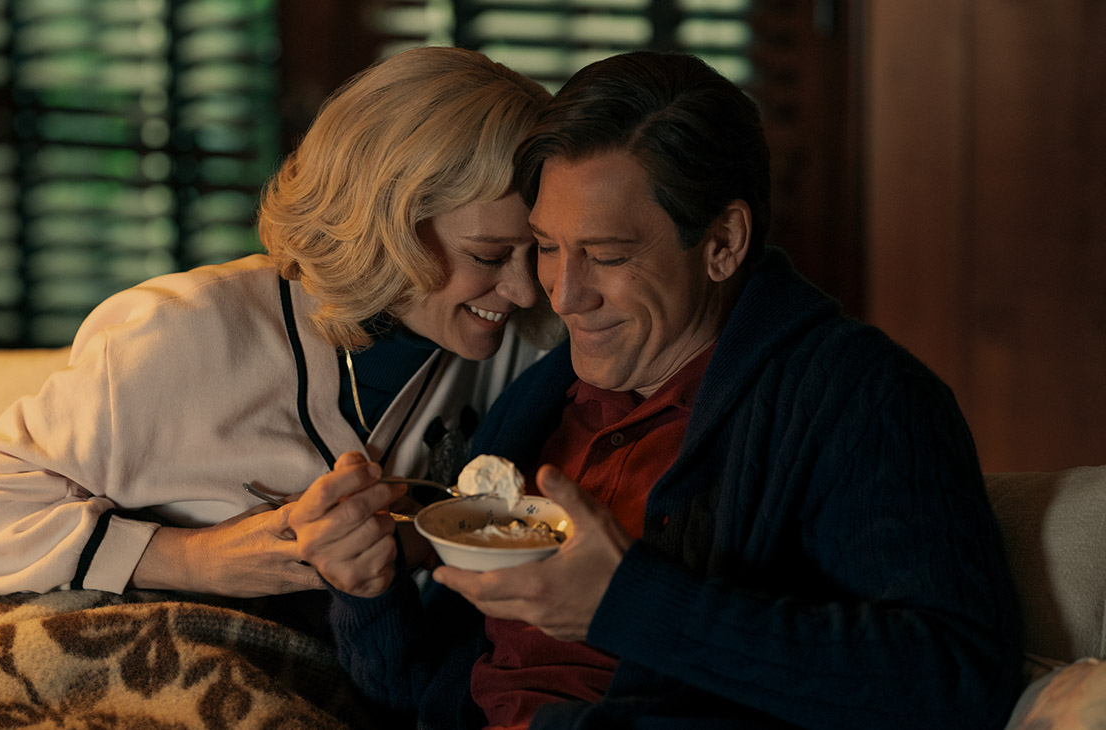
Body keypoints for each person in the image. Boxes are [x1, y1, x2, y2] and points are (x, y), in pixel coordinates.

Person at [291, 51, 1025, 729]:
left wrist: (630, 603)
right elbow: (426, 695)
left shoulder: (858, 397)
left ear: (723, 243)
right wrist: (368, 589)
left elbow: (957, 679)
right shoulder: (539, 400)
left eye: (608, 255)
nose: (563, 294)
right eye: (548, 247)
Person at [0, 46, 558, 612]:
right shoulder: (183, 333)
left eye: (541, 250)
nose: (527, 290)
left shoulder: (526, 344)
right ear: (385, 224)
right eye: (488, 256)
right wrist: (195, 560)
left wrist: (409, 539)